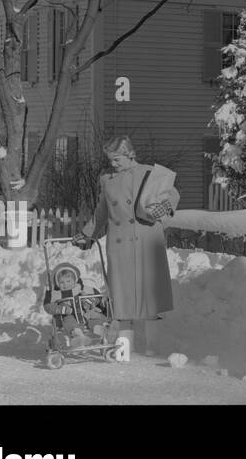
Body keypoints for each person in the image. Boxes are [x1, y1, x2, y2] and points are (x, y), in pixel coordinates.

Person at [73, 137, 179, 358]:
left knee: (150, 299)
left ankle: (152, 349)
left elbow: (171, 193)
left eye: (117, 159)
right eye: (110, 160)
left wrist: (165, 206)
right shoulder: (107, 180)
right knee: (122, 301)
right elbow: (101, 212)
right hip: (120, 245)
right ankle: (124, 349)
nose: (113, 164)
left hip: (147, 241)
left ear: (130, 155)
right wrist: (87, 234)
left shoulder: (149, 172)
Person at [43, 262, 108, 348]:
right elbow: (48, 306)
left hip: (84, 314)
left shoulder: (81, 289)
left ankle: (101, 329)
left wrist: (87, 301)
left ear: (74, 281)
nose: (65, 284)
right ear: (57, 283)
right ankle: (78, 335)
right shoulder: (56, 294)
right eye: (62, 282)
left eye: (68, 281)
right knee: (69, 320)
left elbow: (96, 297)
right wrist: (62, 309)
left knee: (93, 316)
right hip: (68, 317)